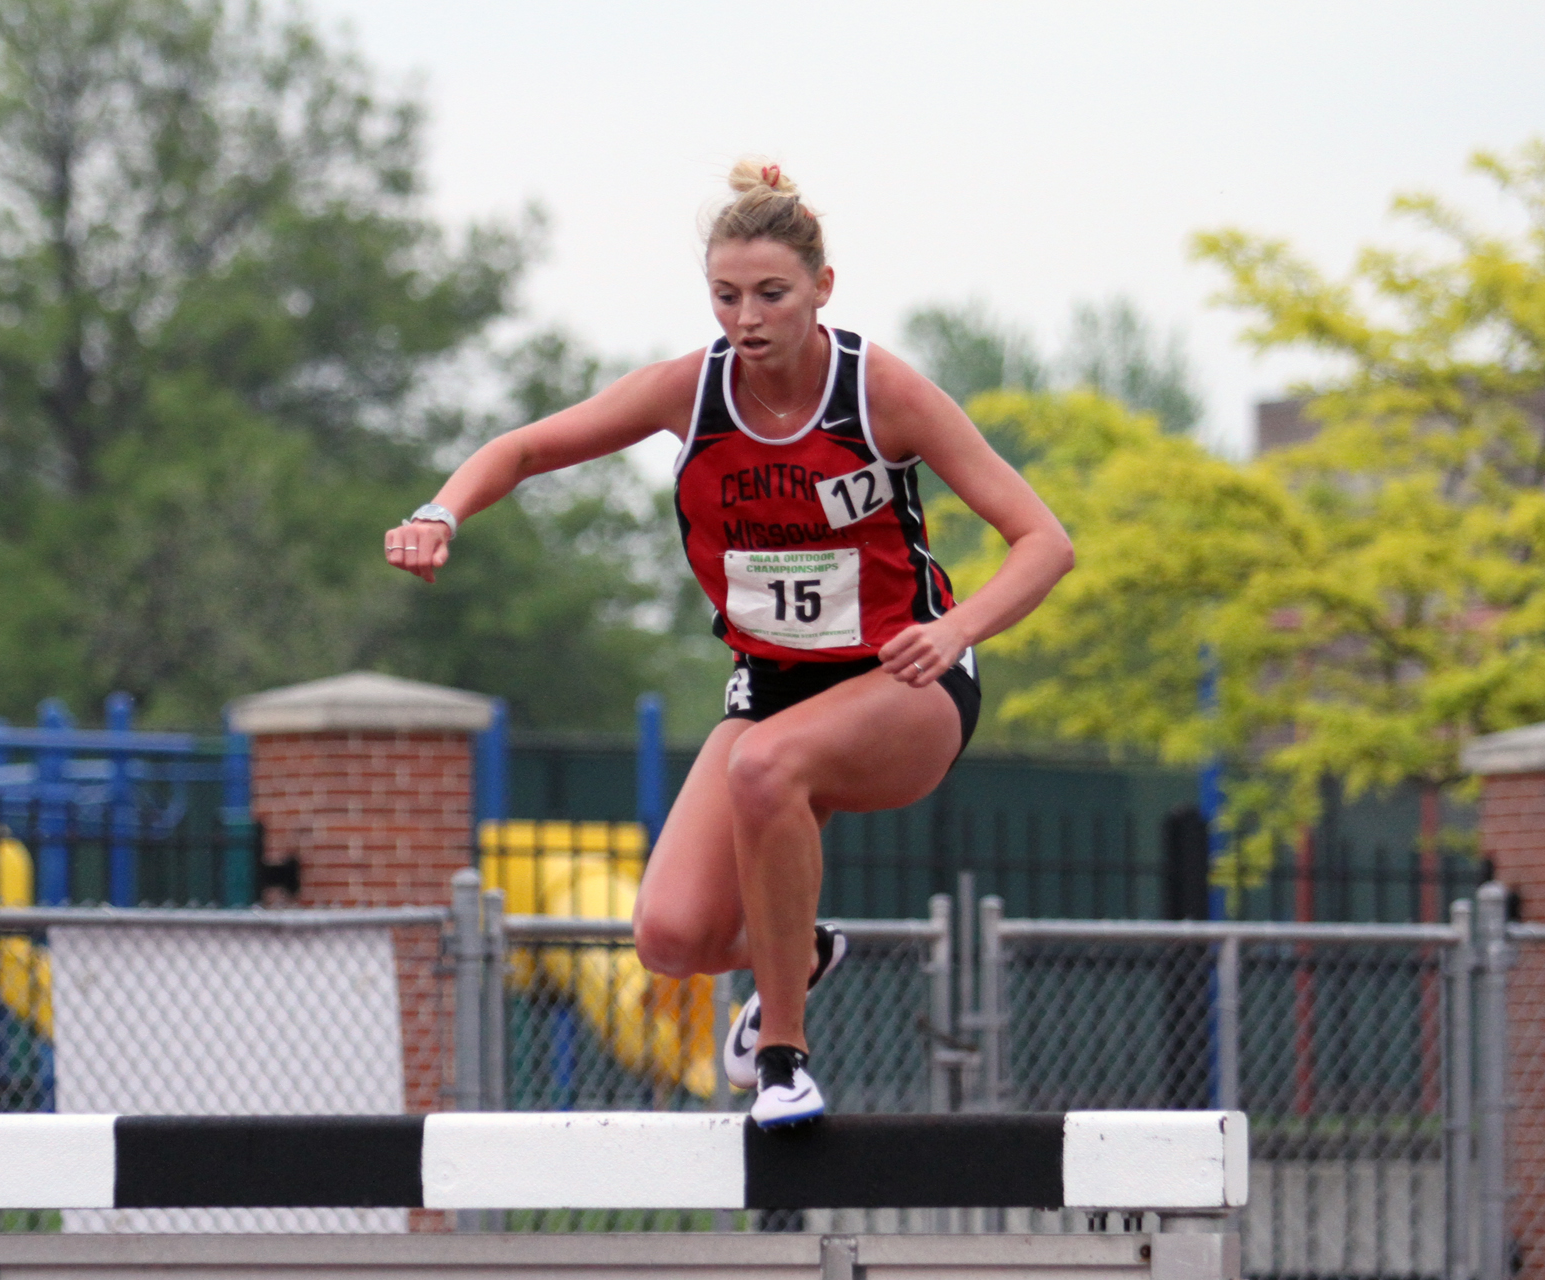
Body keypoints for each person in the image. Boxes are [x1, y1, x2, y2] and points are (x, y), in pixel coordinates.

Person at [384, 159, 1074, 1127]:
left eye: (771, 295)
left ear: (821, 289)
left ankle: (783, 1058)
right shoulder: (691, 393)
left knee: (763, 767)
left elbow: (1046, 540)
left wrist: (955, 626)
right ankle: (803, 947)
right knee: (671, 935)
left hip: (904, 685)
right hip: (774, 689)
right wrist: (440, 510)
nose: (746, 319)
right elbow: (529, 448)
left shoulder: (880, 394)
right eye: (725, 296)